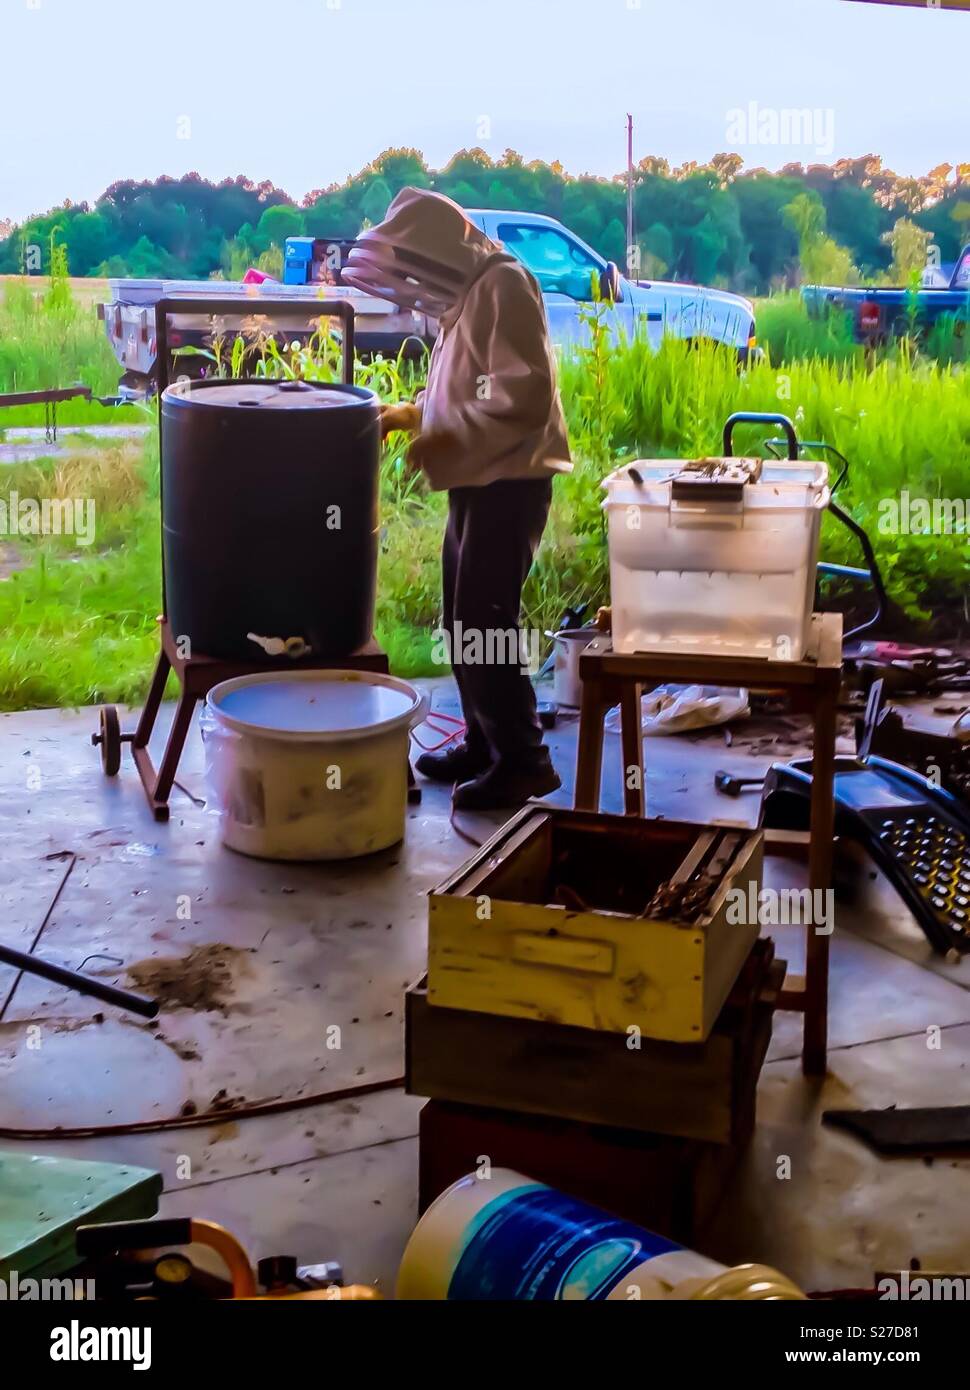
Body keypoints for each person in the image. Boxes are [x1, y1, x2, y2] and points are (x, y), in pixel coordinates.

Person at [344, 188, 571, 811]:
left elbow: (521, 395)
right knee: (461, 617)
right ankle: (484, 741)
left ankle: (524, 760)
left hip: (512, 481)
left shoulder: (504, 286)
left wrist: (444, 434)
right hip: (480, 478)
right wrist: (415, 415)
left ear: (441, 250)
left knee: (484, 621)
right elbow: (468, 385)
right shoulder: (468, 296)